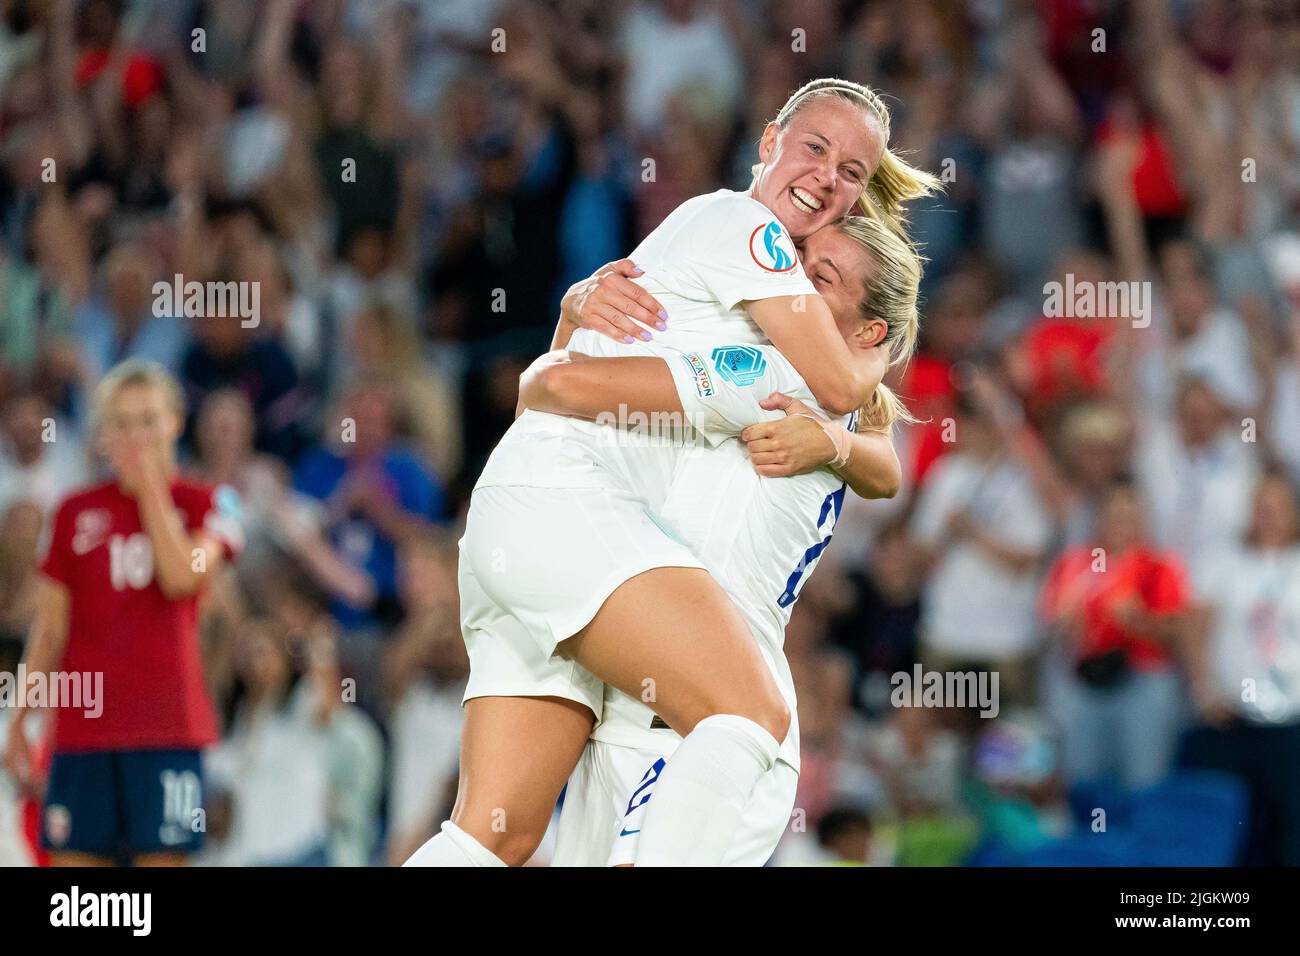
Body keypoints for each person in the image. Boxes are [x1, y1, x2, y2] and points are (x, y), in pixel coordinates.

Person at [403, 77, 937, 868]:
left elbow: (553, 386)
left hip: (584, 596)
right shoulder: (747, 244)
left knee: (491, 837)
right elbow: (552, 388)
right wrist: (864, 370)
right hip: (601, 566)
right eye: (814, 148)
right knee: (751, 711)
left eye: (852, 172)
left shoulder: (789, 367)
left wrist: (566, 330)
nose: (828, 177)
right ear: (767, 143)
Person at [543, 216, 920, 866]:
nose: (793, 280)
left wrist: (575, 316)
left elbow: (556, 390)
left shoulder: (781, 379)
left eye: (820, 277)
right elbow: (883, 469)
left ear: (867, 330)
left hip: (703, 674)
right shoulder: (824, 389)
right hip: (665, 660)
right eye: (798, 260)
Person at [2, 360, 241, 866]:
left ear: (176, 422)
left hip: (168, 729)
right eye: (122, 423)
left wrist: (151, 489)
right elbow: (50, 629)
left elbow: (183, 576)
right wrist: (22, 716)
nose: (136, 437)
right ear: (104, 433)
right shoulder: (72, 511)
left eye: (148, 420)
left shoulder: (211, 503)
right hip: (82, 732)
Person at [1180, 473, 1300, 865]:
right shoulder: (1223, 562)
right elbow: (1196, 629)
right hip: (1231, 717)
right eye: (1261, 506)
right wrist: (1202, 691)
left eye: (1277, 507)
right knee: (1228, 828)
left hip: (1291, 720)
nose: (1268, 515)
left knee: (1290, 828)